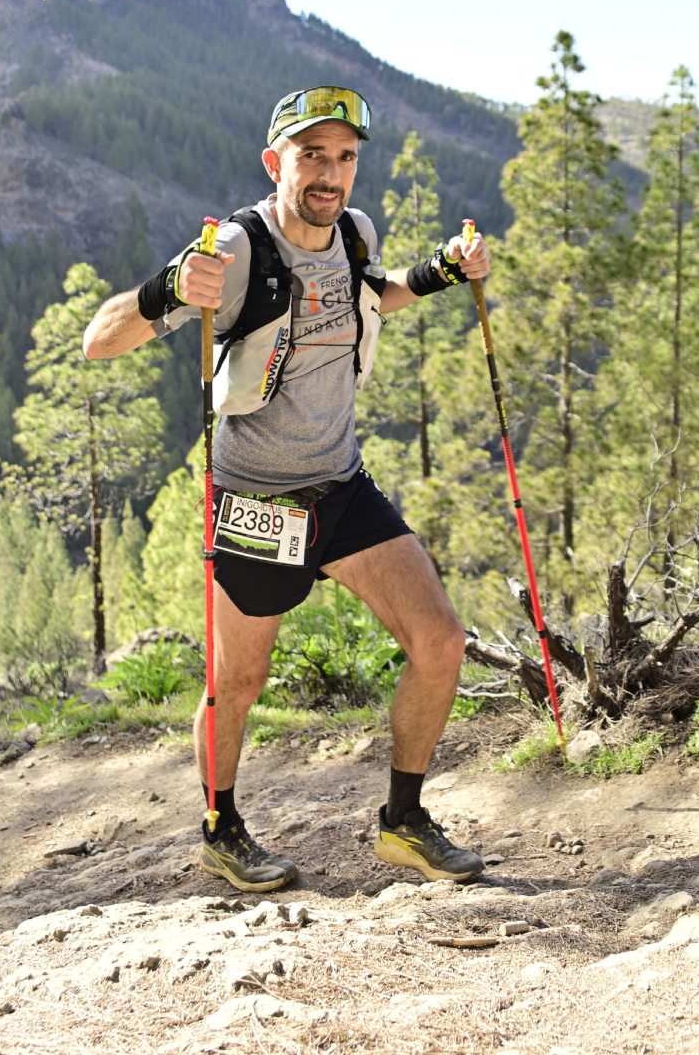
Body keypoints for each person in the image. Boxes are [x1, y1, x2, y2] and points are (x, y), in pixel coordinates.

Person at [81, 85, 491, 892]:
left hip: (340, 485)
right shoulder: (236, 251)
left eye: (344, 158)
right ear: (277, 164)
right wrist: (169, 290)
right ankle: (220, 828)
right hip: (260, 500)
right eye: (312, 157)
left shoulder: (353, 233)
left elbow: (373, 296)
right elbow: (99, 339)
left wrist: (441, 270)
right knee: (237, 684)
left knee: (441, 642)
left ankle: (403, 821)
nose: (330, 174)